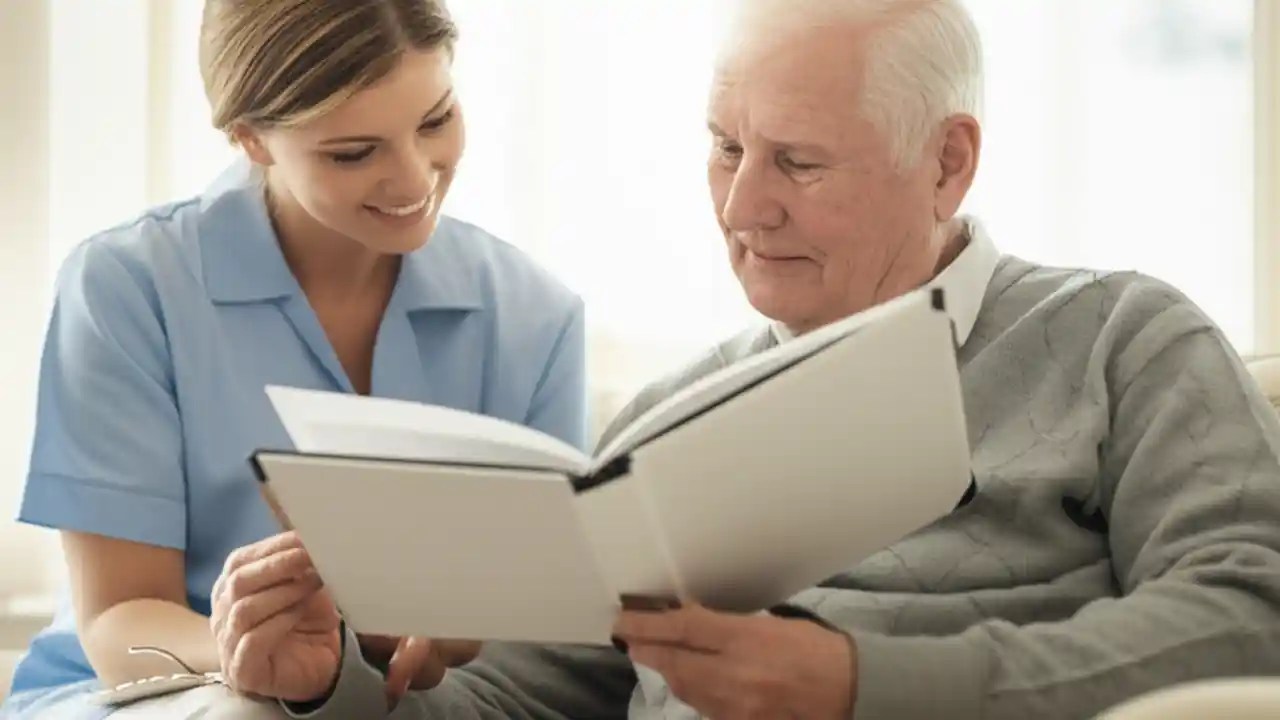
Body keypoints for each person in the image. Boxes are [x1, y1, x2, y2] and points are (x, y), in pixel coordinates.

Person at [208, 0, 1280, 718]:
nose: (739, 205)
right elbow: (522, 703)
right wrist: (326, 684)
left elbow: (1246, 619)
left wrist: (862, 684)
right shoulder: (669, 418)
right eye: (724, 146)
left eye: (797, 163)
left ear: (945, 163)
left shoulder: (1120, 340)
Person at [0, 1, 588, 718]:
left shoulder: (535, 314)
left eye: (435, 121)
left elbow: (544, 625)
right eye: (353, 153)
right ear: (251, 139)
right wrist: (280, 658)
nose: (413, 181)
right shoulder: (127, 287)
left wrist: (451, 641)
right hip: (163, 695)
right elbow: (120, 622)